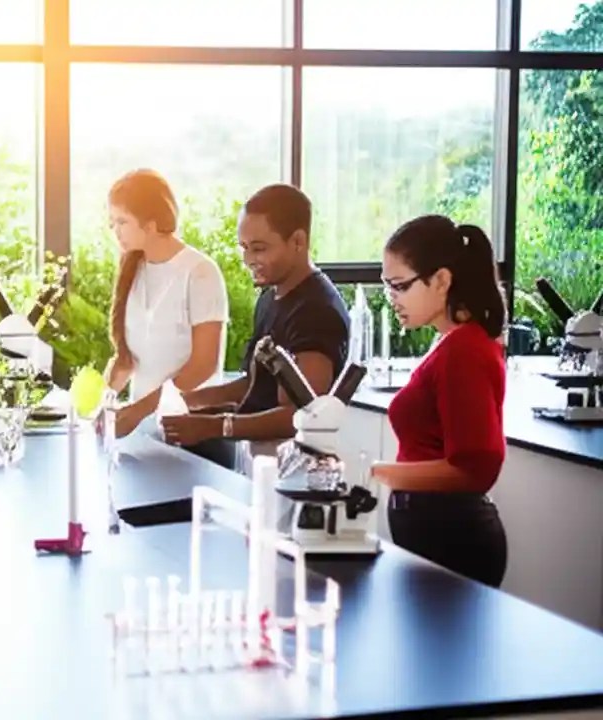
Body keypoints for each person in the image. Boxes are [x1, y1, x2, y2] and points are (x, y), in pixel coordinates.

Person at [161, 184, 349, 468]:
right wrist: (187, 402)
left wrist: (216, 427)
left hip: (295, 468)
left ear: (298, 241)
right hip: (259, 459)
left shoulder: (316, 311)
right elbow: (256, 382)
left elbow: (303, 413)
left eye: (259, 249)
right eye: (244, 248)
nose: (249, 260)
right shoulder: (271, 296)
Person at [369, 215, 508, 588]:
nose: (393, 299)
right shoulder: (448, 342)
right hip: (435, 532)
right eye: (387, 287)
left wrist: (375, 471)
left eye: (400, 286)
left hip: (454, 539)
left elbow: (476, 467)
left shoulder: (464, 350)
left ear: (442, 280)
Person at [103, 169, 230, 438]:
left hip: (192, 431)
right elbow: (127, 360)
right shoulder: (132, 269)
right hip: (143, 434)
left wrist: (138, 411)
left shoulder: (200, 272)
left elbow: (202, 367)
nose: (115, 231)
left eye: (122, 222)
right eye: (112, 222)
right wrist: (102, 406)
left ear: (151, 224)